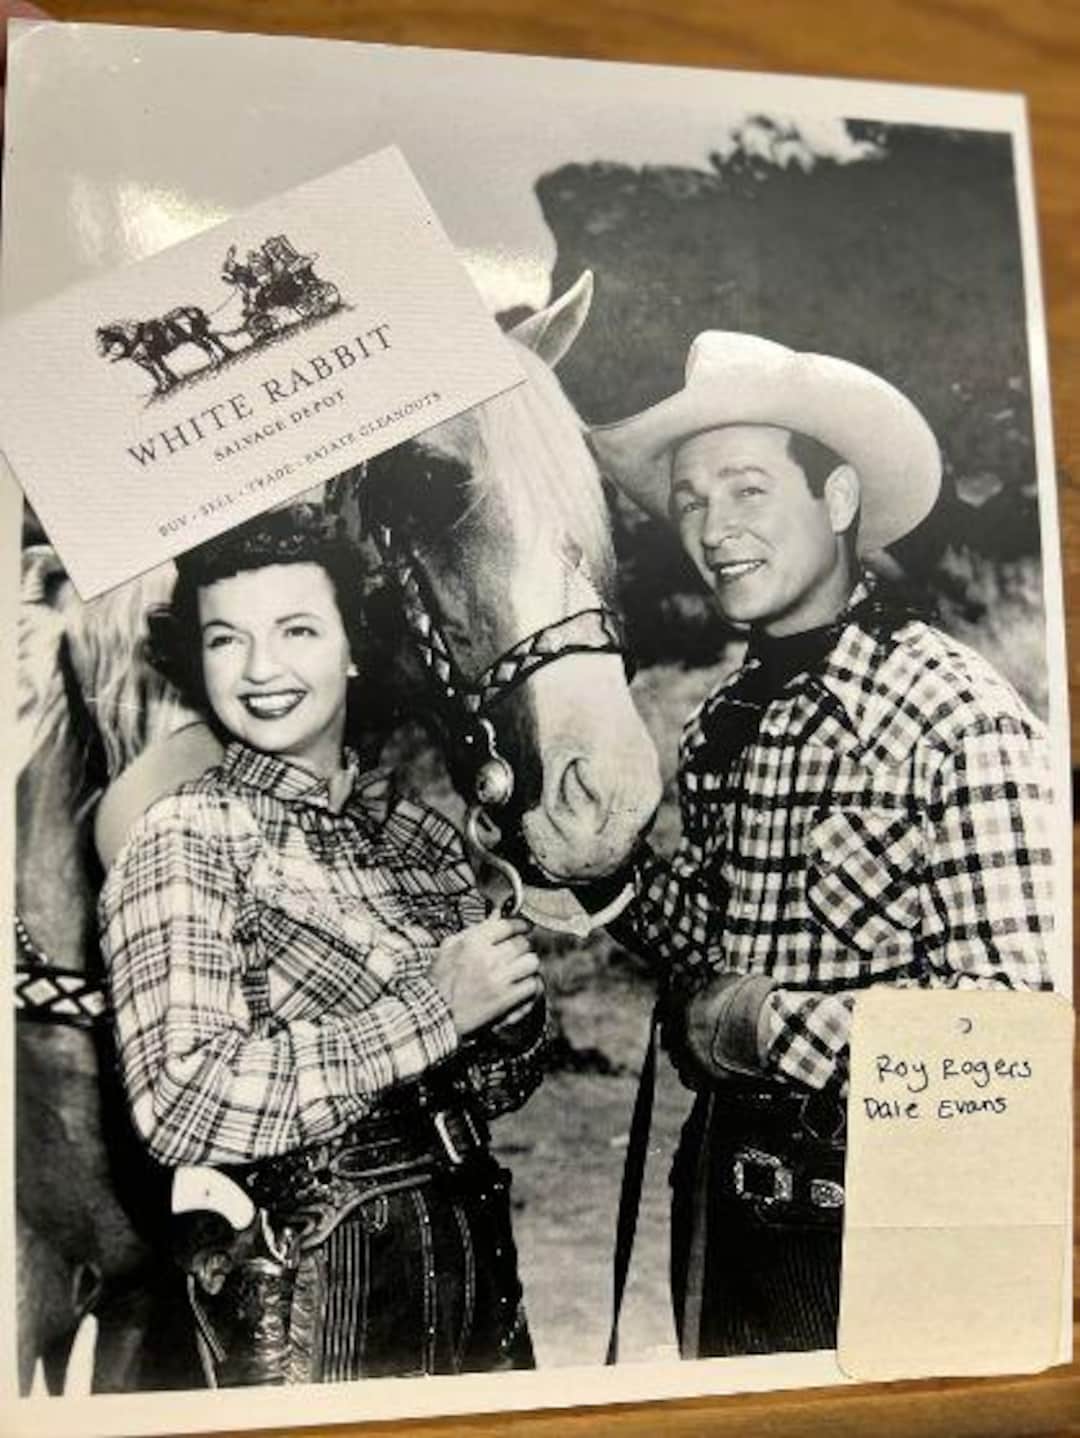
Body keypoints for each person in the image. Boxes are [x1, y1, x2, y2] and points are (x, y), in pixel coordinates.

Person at [589, 332, 1055, 1358]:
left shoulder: (955, 716)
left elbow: (1011, 1036)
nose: (714, 529)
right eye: (690, 501)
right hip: (723, 1211)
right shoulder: (722, 721)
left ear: (837, 498)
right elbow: (713, 942)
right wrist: (596, 868)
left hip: (886, 1224)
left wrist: (763, 1025)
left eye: (749, 490)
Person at [98, 511, 547, 1387]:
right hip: (310, 1288)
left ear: (353, 649)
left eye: (297, 630)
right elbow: (182, 1100)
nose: (261, 669)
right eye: (226, 639)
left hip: (474, 1255)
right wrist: (435, 1010)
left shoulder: (420, 836)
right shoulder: (185, 836)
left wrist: (510, 1019)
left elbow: (495, 1088)